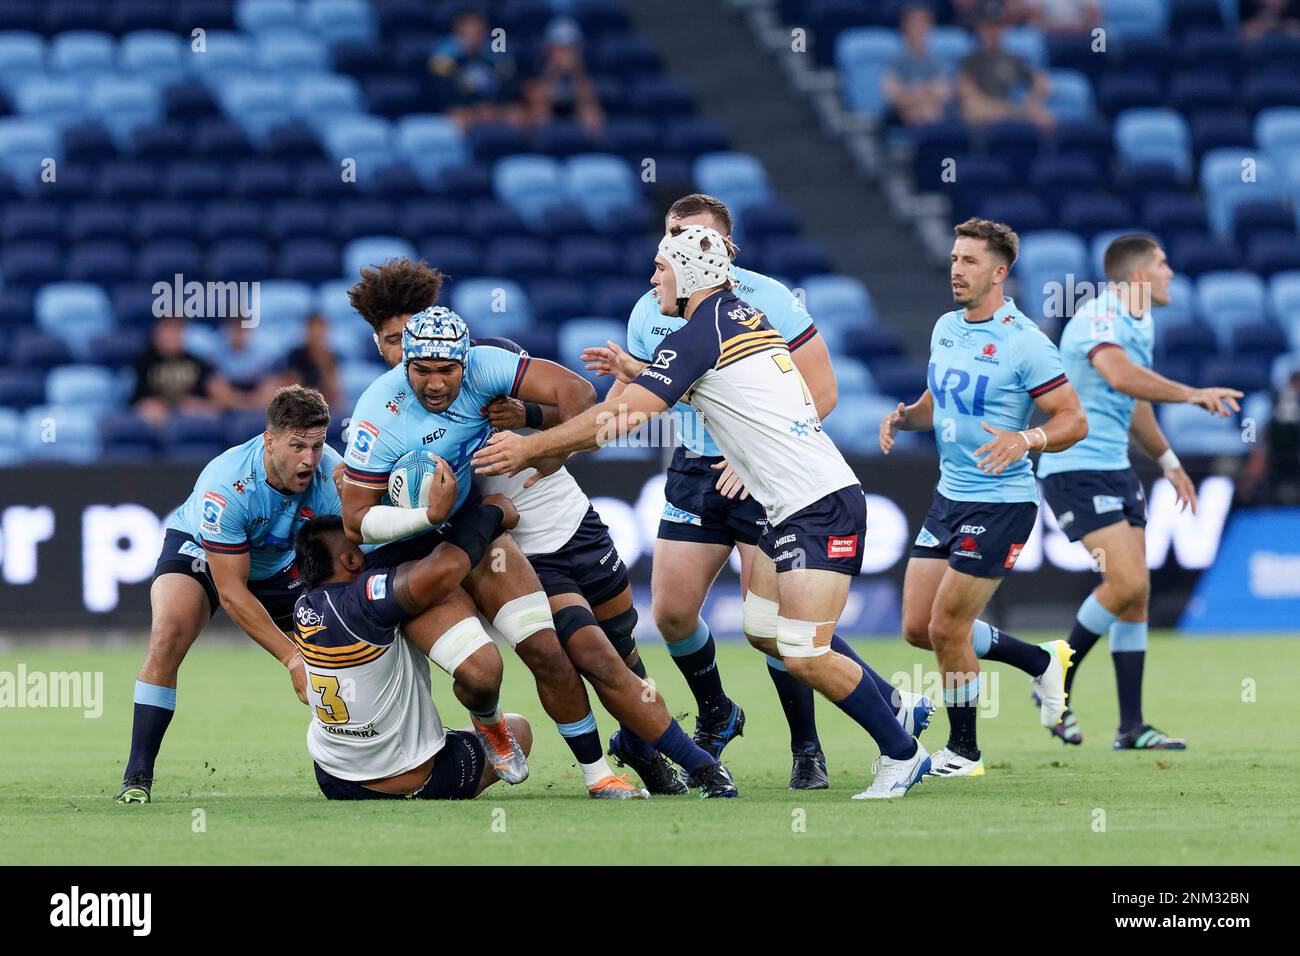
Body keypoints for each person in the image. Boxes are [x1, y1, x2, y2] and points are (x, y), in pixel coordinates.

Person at [475, 224, 934, 800]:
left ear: (689, 274)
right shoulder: (736, 319)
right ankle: (896, 708)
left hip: (817, 506)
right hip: (800, 504)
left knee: (804, 649)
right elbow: (714, 385)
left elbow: (620, 420)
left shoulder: (699, 333)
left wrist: (529, 445)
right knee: (768, 631)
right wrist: (642, 372)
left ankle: (901, 751)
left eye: (662, 267)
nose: (653, 278)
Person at [345, 258, 735, 796]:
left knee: (623, 658)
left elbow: (576, 403)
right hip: (510, 548)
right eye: (394, 342)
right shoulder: (386, 412)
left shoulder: (490, 362)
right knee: (574, 655)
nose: (408, 350)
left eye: (415, 334)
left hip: (573, 522)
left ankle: (644, 752)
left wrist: (535, 431)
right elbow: (360, 510)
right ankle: (644, 770)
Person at [881, 218, 1088, 779]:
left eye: (969, 261)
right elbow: (936, 400)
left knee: (948, 627)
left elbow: (1074, 419)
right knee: (917, 628)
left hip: (1002, 502)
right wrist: (907, 418)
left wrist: (1026, 437)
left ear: (999, 273)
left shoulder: (1025, 343)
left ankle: (965, 751)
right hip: (949, 497)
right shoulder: (947, 327)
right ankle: (1041, 661)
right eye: (954, 258)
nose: (956, 269)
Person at [1037, 235, 1244, 749]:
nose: (1171, 272)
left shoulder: (1139, 322)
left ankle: (1132, 727)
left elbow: (1133, 401)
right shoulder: (1099, 317)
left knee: (1136, 598)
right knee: (1125, 583)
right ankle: (1049, 675)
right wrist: (1193, 393)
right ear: (1136, 278)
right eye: (1162, 263)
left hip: (1115, 470)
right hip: (1075, 468)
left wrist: (1169, 461)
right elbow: (1119, 375)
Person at [115, 387, 344, 803]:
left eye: (317, 445)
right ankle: (136, 778)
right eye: (297, 446)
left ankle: (362, 766)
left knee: (344, 647)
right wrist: (294, 657)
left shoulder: (334, 477)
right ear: (269, 441)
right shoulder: (228, 483)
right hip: (202, 553)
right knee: (169, 633)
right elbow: (232, 593)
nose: (309, 460)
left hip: (280, 567)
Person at [294, 496, 531, 801]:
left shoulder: (304, 606)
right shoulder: (365, 599)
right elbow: (448, 568)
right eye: (360, 546)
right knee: (520, 729)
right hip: (419, 778)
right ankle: (450, 747)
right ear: (351, 561)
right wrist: (491, 512)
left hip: (334, 778)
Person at [956, 1, 1053, 130]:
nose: (994, 32)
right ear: (980, 28)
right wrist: (1001, 110)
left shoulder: (1014, 59)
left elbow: (1042, 82)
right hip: (984, 112)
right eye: (989, 26)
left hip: (1011, 111)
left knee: (1044, 117)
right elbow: (967, 94)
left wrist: (1032, 101)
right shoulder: (970, 60)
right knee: (972, 112)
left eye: (998, 26)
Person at [429, 4, 521, 128]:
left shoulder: (497, 51)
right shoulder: (443, 55)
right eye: (468, 29)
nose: (473, 34)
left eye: (477, 29)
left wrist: (492, 106)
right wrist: (473, 109)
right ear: (458, 30)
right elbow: (443, 90)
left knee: (517, 116)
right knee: (457, 121)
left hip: (493, 107)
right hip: (462, 108)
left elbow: (507, 84)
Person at [131, 315, 221, 428]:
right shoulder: (144, 362)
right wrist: (147, 404)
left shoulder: (196, 362)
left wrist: (200, 404)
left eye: (176, 331)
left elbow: (213, 399)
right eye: (168, 330)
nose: (172, 336)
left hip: (188, 414)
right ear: (157, 333)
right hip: (156, 414)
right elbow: (135, 399)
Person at [522, 17, 604, 134]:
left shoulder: (582, 67)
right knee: (539, 113)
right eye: (559, 48)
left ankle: (588, 147)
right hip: (548, 110)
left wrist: (576, 73)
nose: (564, 53)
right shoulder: (536, 65)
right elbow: (533, 97)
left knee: (590, 114)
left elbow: (589, 99)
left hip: (572, 111)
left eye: (569, 48)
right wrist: (553, 71)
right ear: (549, 47)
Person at [883, 4, 953, 127]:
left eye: (922, 23)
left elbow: (943, 93)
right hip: (903, 114)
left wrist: (914, 93)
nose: (918, 28)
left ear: (930, 27)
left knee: (934, 111)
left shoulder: (938, 61)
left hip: (931, 110)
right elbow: (893, 94)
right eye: (913, 23)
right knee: (917, 112)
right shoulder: (895, 61)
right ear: (904, 27)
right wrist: (923, 94)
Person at [286, 313, 342, 410]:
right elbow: (293, 390)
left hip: (322, 404)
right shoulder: (296, 355)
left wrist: (325, 366)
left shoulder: (331, 357)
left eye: (320, 334)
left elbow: (335, 394)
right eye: (314, 332)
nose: (317, 336)